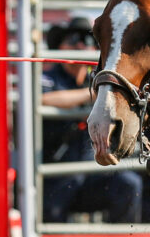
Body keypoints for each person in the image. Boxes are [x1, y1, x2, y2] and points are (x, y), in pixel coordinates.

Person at [41, 15, 143, 225]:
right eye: (72, 39)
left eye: (87, 41)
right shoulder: (48, 77)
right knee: (53, 206)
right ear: (59, 46)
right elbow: (44, 98)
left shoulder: (98, 79)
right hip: (56, 173)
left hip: (91, 174)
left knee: (128, 184)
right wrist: (95, 94)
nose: (80, 45)